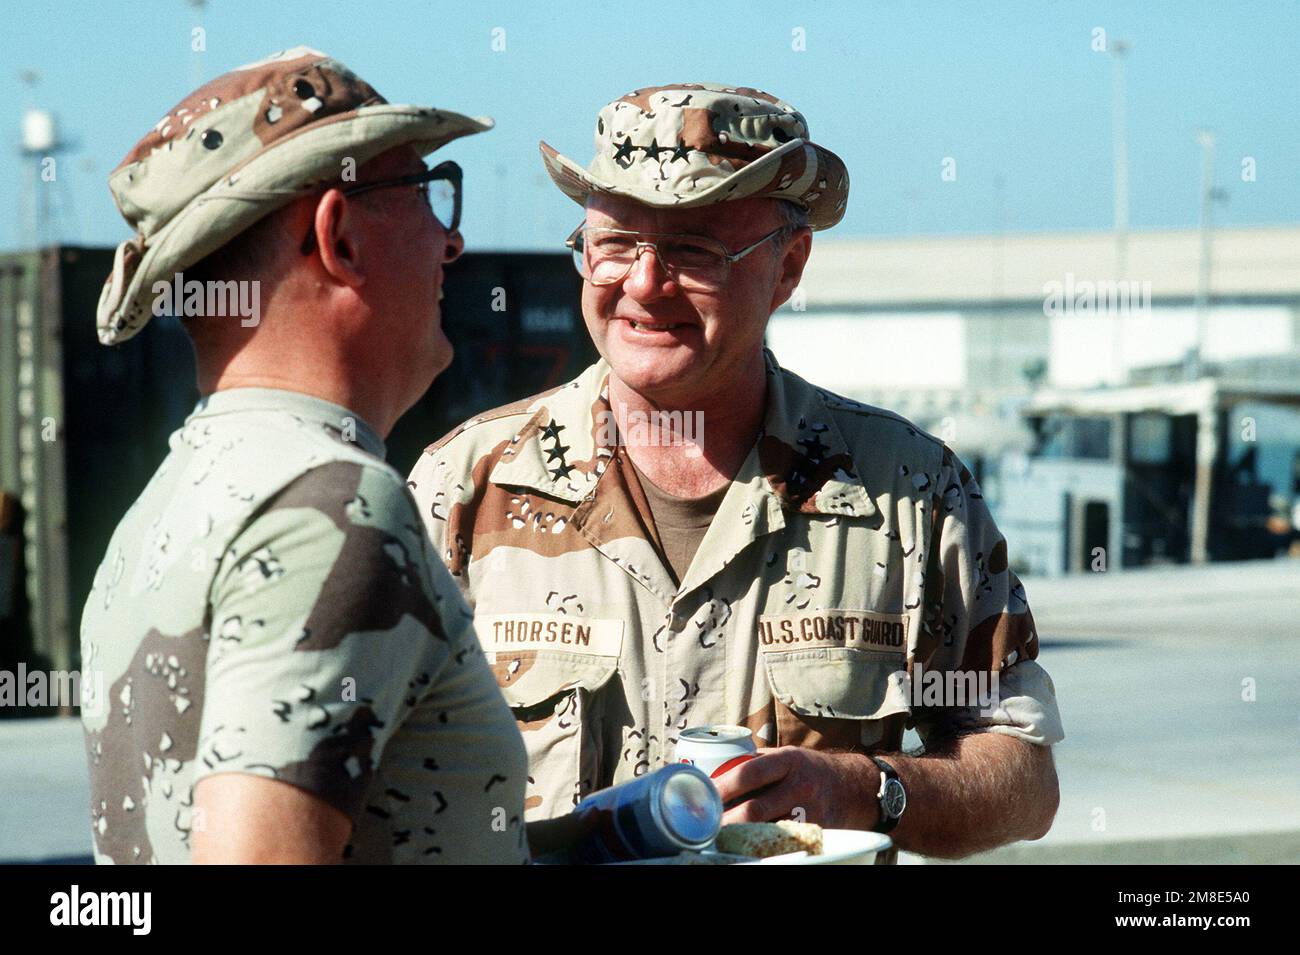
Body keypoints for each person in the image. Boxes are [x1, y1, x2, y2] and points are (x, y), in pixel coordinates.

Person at [407, 83, 1064, 859]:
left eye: (694, 250)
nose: (644, 285)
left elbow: (1023, 780)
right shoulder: (464, 488)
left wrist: (866, 788)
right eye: (615, 243)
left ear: (788, 266)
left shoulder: (909, 493)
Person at [81, 47, 528, 864]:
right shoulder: (333, 504)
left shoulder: (170, 503)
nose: (451, 241)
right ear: (340, 236)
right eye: (424, 194)